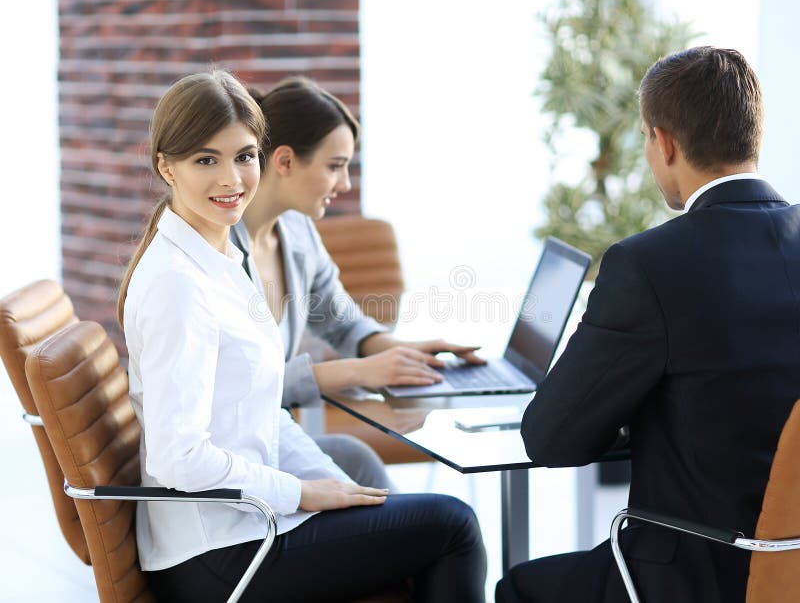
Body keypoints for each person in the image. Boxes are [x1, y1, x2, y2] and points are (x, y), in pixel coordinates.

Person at [118, 69, 487, 603]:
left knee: (412, 521)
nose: (232, 178)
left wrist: (337, 489)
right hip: (221, 554)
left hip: (244, 525)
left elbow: (264, 412)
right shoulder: (178, 284)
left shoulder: (217, 257)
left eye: (244, 156)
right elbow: (179, 459)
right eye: (206, 160)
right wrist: (302, 492)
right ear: (165, 167)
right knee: (453, 526)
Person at [496, 46, 800, 603]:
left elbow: (550, 438)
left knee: (519, 586)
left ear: (663, 142)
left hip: (692, 575)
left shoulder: (650, 263)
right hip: (791, 573)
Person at [230, 75, 485, 487]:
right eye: (335, 167)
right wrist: (359, 372)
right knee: (443, 523)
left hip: (277, 442)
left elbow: (340, 320)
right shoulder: (219, 249)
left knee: (372, 474)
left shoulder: (295, 230)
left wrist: (403, 353)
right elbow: (242, 388)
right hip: (240, 463)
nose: (345, 184)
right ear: (285, 161)